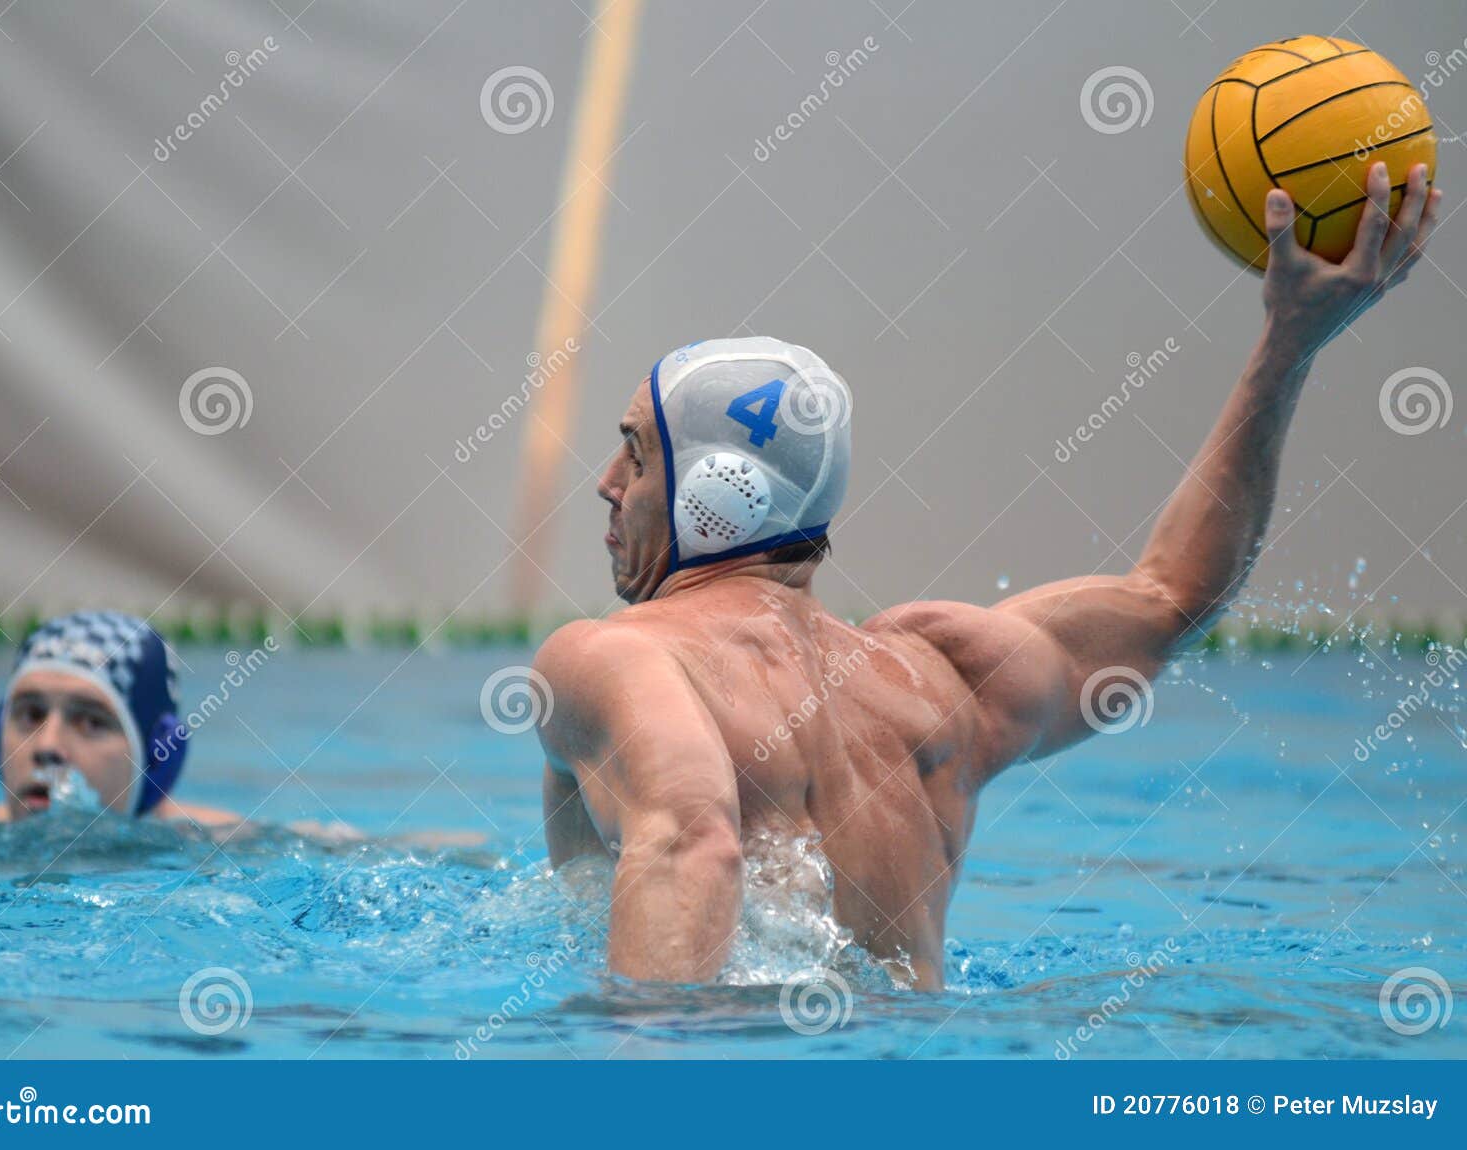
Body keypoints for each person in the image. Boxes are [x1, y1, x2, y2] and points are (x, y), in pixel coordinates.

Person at [534, 164, 1442, 989]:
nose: (607, 485)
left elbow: (695, 842)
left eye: (637, 454)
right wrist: (1288, 346)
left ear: (718, 491)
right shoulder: (938, 676)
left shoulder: (611, 661)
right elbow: (1172, 598)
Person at [0, 610, 239, 829]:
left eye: (90, 722)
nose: (47, 746)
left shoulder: (231, 852)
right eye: (31, 715)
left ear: (156, 759)